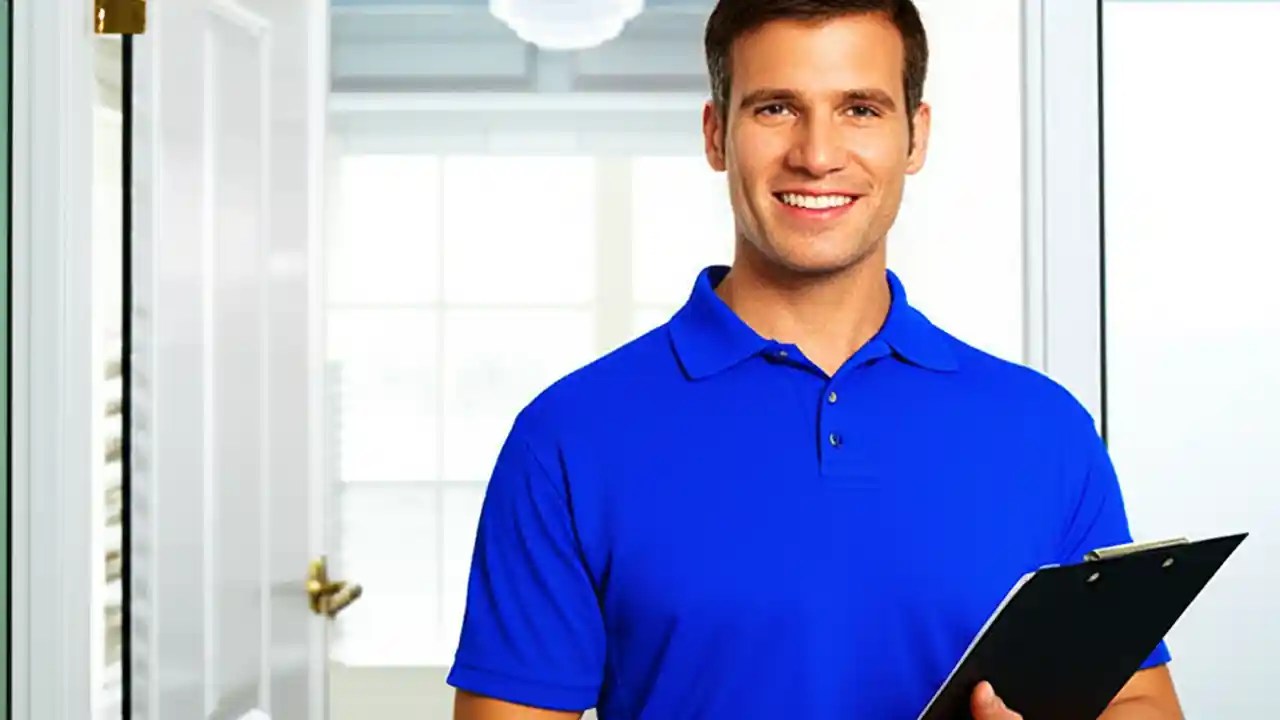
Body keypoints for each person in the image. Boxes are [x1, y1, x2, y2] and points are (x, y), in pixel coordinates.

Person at [447, 1, 1183, 717]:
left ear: (915, 136)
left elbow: (1139, 698)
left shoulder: (1043, 428)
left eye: (859, 109)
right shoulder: (568, 437)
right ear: (715, 134)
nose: (818, 155)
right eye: (776, 108)